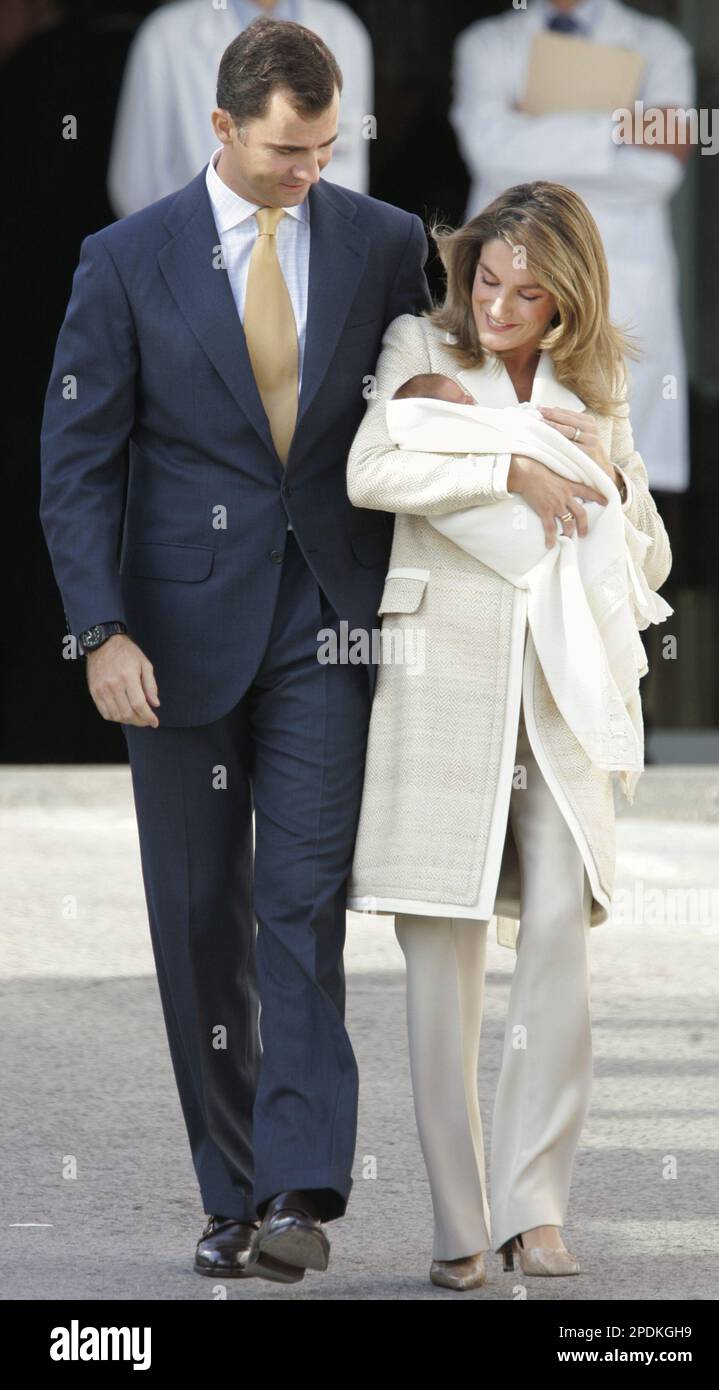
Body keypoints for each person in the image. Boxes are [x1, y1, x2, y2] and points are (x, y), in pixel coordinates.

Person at [39, 15, 431, 1284]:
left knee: (299, 904)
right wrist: (99, 630)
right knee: (199, 917)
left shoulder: (384, 244)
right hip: (172, 633)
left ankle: (300, 1187)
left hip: (327, 618)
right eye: (283, 151)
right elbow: (77, 464)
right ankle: (232, 1191)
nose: (305, 172)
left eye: (323, 148)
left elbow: (446, 384)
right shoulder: (125, 257)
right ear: (222, 129)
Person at [346, 180, 671, 1288]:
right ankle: (456, 1220)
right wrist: (510, 461)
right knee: (440, 944)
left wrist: (608, 468)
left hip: (565, 689)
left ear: (566, 306)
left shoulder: (598, 377)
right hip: (447, 668)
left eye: (526, 294)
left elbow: (647, 553)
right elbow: (372, 467)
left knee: (557, 947)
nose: (496, 304)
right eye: (488, 277)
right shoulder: (413, 340)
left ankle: (536, 1209)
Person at [450, 0, 695, 494]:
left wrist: (534, 126)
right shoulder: (486, 43)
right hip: (519, 263)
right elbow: (490, 151)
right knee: (512, 455)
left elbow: (663, 169)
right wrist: (621, 127)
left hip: (622, 276)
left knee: (620, 471)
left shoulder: (660, 46)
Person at [107, 0, 373, 216]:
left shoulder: (343, 31)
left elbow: (350, 170)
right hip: (196, 256)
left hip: (310, 254)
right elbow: (135, 183)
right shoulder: (165, 35)